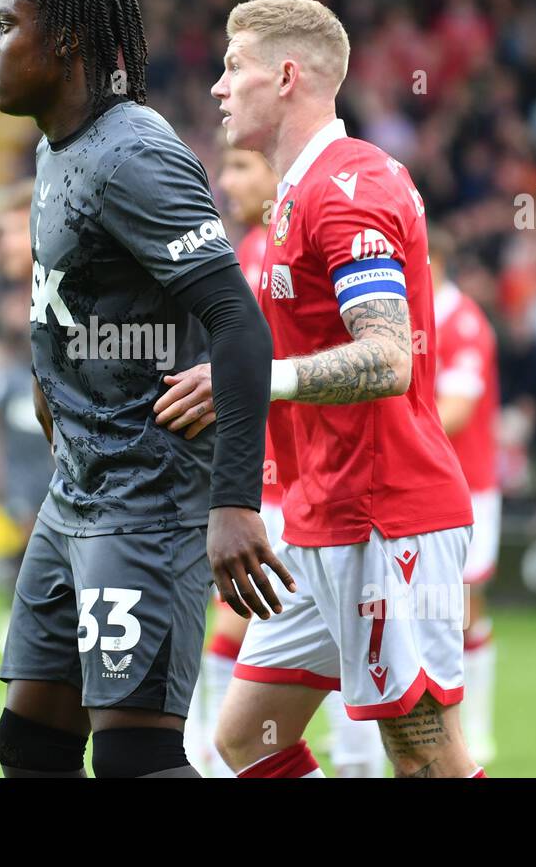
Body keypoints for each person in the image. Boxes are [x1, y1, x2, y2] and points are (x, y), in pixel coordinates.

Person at [0, 0, 280, 778]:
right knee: (30, 743)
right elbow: (68, 303)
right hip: (75, 493)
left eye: (7, 25)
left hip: (147, 501)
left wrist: (233, 504)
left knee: (135, 759)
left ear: (68, 42)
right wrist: (51, 395)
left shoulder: (135, 156)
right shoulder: (52, 149)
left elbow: (238, 323)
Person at [158, 0, 482, 777]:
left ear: (288, 76)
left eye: (234, 67)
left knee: (422, 751)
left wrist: (253, 378)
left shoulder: (349, 185)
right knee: (244, 735)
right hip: (319, 518)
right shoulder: (294, 198)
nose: (217, 87)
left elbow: (387, 357)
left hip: (386, 514)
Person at [171, 143, 383, 777]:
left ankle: (347, 762)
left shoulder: (300, 243)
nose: (226, 182)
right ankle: (208, 753)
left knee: (403, 715)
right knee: (254, 685)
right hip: (275, 485)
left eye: (240, 168)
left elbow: (382, 360)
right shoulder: (243, 256)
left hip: (330, 492)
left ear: (278, 175)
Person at [430, 235, 502, 764]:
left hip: (469, 487)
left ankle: (476, 729)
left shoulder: (464, 323)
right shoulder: (409, 316)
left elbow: (455, 411)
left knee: (465, 610)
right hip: (427, 485)